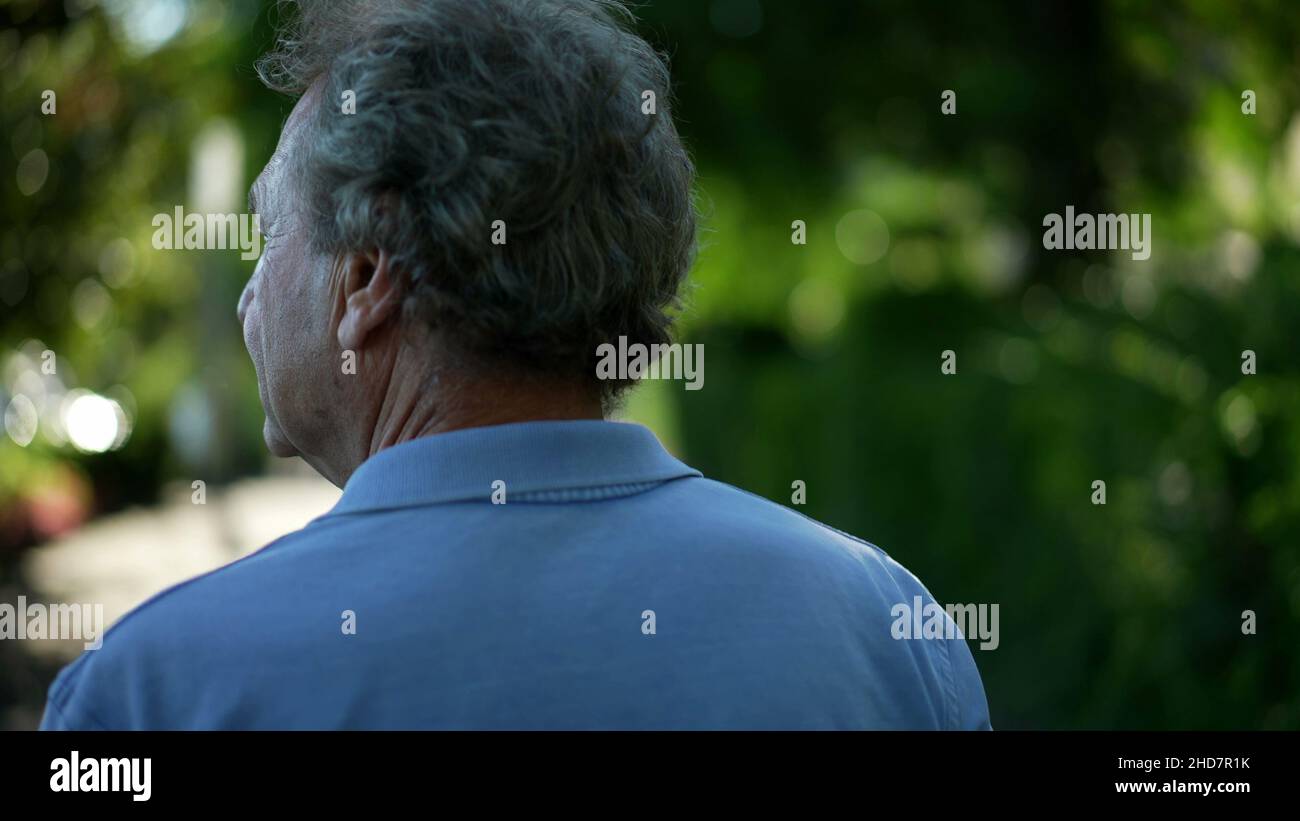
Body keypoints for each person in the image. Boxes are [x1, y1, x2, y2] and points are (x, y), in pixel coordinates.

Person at [41, 0, 990, 729]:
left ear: (366, 279)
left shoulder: (156, 686)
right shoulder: (884, 627)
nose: (250, 294)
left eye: (268, 236)